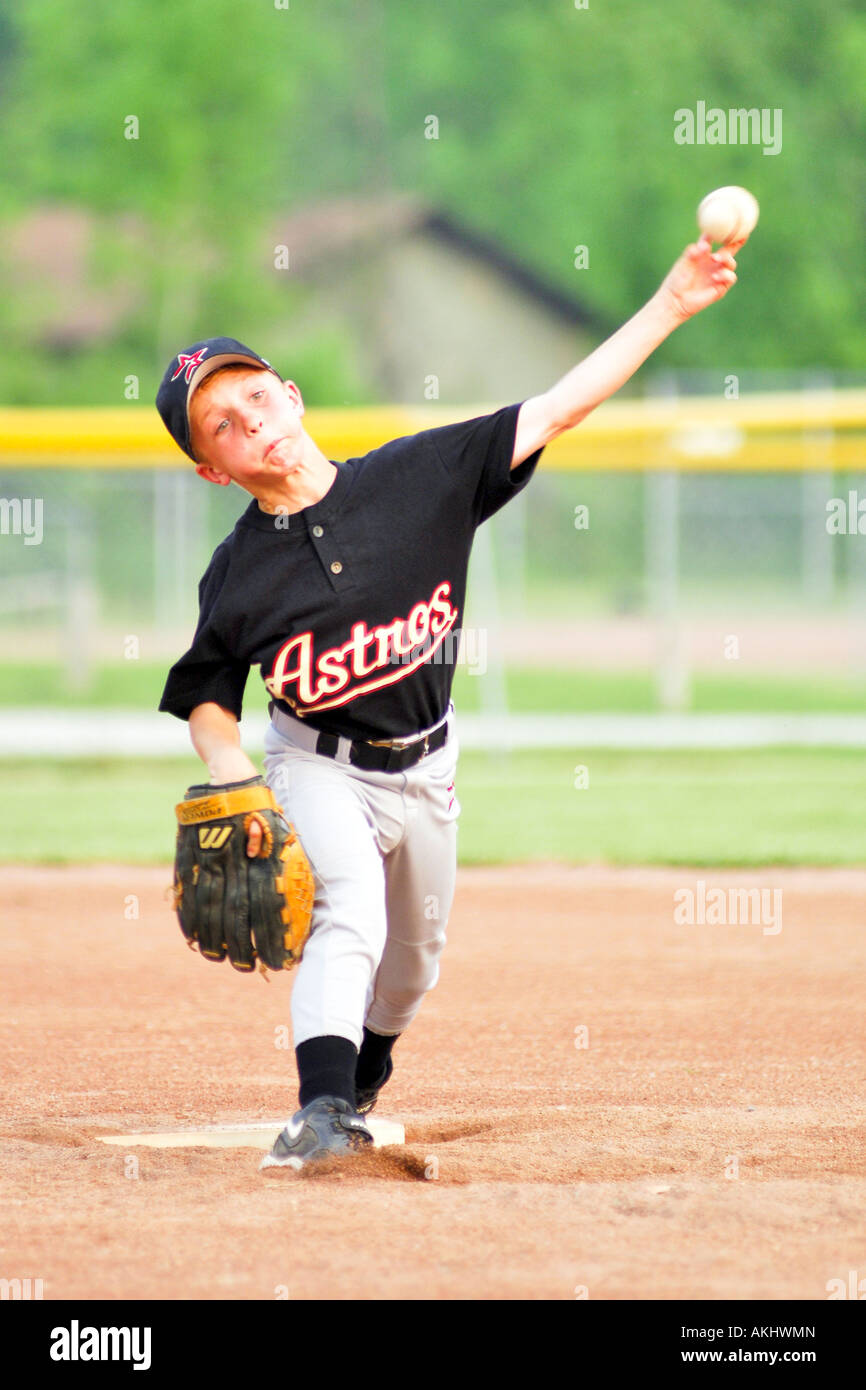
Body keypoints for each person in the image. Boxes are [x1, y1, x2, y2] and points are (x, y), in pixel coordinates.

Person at [157, 235, 738, 1170]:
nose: (248, 419)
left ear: (292, 395)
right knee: (350, 908)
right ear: (210, 469)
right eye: (219, 423)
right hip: (315, 765)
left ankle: (364, 1069)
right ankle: (322, 1110)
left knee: (413, 967)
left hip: (428, 762)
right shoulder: (237, 575)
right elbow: (206, 695)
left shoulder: (421, 476)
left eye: (255, 395)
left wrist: (671, 301)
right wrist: (235, 775)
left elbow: (559, 406)